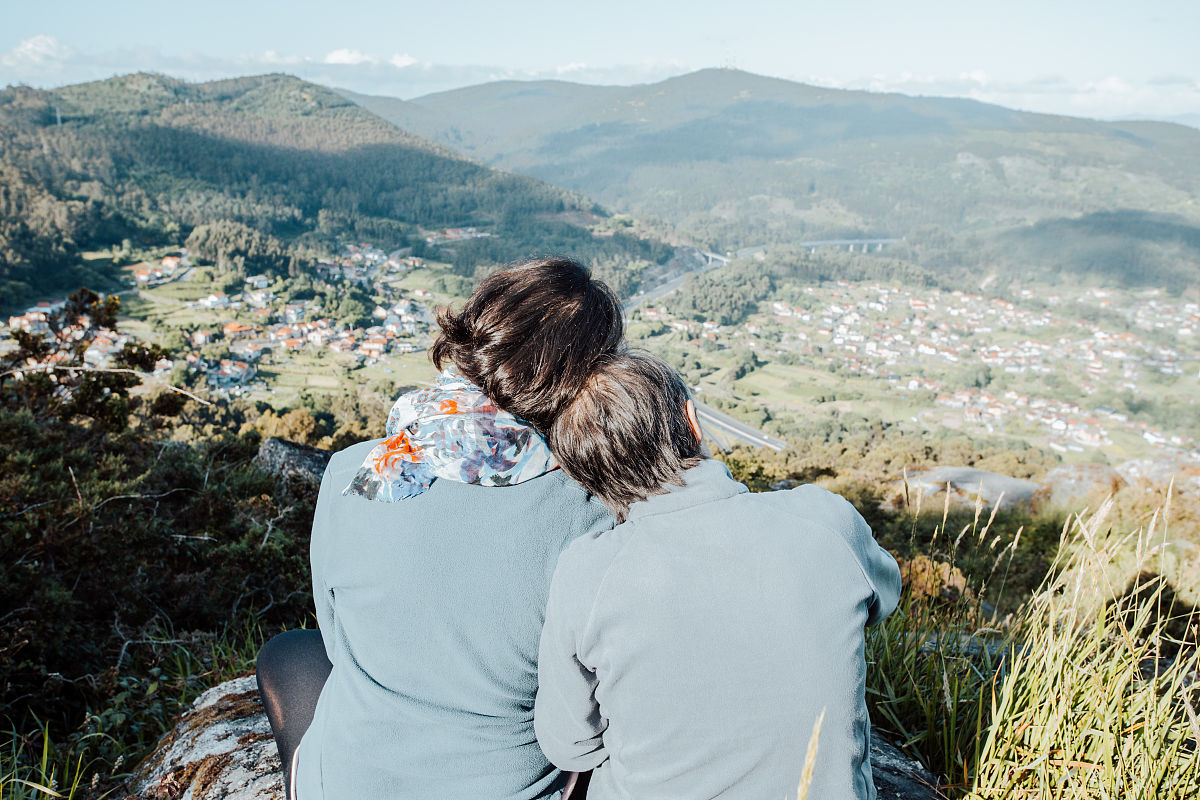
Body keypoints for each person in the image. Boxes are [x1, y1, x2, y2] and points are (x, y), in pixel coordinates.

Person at [256, 256, 623, 800]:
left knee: (290, 654)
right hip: (511, 785)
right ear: (589, 378)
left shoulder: (356, 472)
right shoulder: (597, 512)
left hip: (343, 787)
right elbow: (589, 697)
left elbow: (338, 642)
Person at [532, 350, 902, 799]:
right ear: (692, 420)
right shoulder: (826, 521)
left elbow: (569, 747)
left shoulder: (587, 571)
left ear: (583, 471)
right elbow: (885, 599)